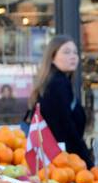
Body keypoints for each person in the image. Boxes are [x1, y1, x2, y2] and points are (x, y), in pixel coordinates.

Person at [26, 36, 93, 167]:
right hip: (62, 162)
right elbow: (67, 128)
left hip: (55, 162)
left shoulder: (52, 82)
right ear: (52, 57)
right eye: (66, 52)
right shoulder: (58, 84)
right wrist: (87, 162)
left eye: (75, 52)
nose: (73, 56)